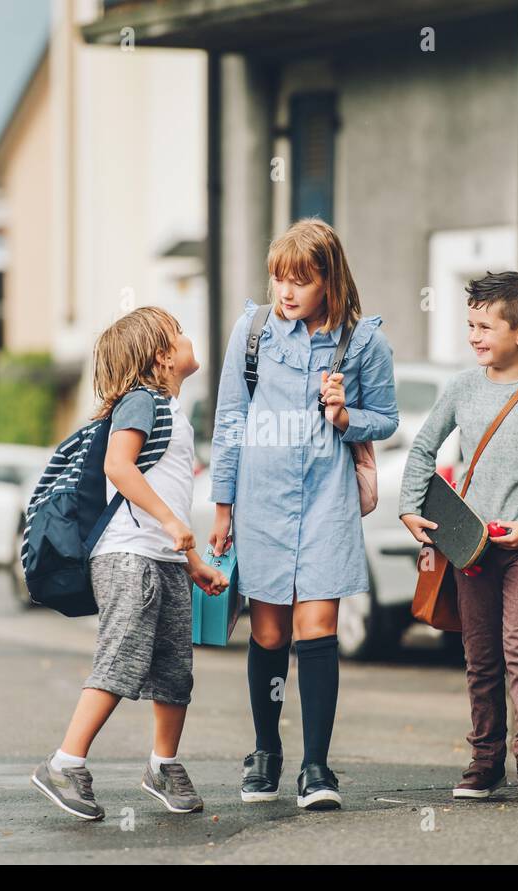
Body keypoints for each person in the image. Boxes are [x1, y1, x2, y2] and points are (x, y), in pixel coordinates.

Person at [210, 218, 399, 810]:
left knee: (317, 628)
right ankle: (266, 752)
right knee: (269, 631)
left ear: (329, 280)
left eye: (301, 280)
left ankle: (316, 768)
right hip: (261, 501)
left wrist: (348, 418)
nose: (286, 292)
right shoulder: (254, 331)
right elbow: (229, 421)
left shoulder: (363, 342)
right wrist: (222, 507)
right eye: (279, 278)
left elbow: (386, 418)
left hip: (325, 501)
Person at [31, 306, 227, 822]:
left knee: (174, 672)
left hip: (162, 559)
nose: (188, 339)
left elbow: (164, 494)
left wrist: (192, 561)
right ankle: (64, 761)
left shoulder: (169, 408)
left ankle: (163, 765)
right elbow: (118, 467)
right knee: (121, 659)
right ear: (163, 356)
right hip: (127, 557)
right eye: (178, 334)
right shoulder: (141, 402)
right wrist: (168, 522)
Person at [398, 271, 518, 802]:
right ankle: (485, 761)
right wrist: (411, 507)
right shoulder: (461, 386)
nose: (474, 336)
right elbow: (422, 450)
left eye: (485, 327)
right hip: (472, 547)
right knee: (480, 655)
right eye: (470, 326)